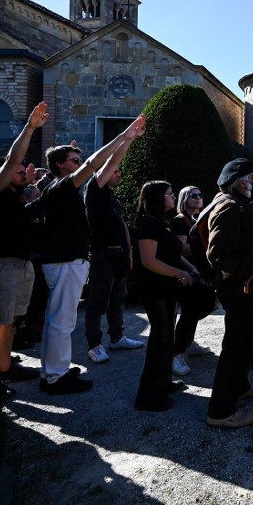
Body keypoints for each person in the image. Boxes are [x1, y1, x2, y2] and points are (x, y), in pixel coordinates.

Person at [37, 115, 146, 395]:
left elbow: (108, 163)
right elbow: (96, 164)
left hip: (66, 260)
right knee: (62, 322)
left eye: (78, 159)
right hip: (65, 260)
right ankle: (56, 377)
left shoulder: (61, 189)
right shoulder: (60, 187)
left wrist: (127, 140)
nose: (79, 162)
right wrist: (123, 135)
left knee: (58, 320)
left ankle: (52, 370)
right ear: (60, 165)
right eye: (74, 160)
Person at [0, 103, 48, 394]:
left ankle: (4, 368)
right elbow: (13, 159)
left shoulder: (17, 201)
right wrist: (29, 128)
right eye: (16, 171)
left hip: (18, 266)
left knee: (8, 322)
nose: (22, 172)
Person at [203, 159, 253, 429]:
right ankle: (220, 411)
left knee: (244, 342)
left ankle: (239, 386)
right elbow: (218, 254)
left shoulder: (239, 201)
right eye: (250, 177)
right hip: (238, 289)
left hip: (247, 289)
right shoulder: (228, 206)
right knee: (235, 346)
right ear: (239, 181)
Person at [130, 181, 199, 411]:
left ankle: (163, 383)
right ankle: (148, 397)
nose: (173, 197)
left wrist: (190, 268)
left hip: (167, 288)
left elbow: (173, 252)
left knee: (167, 337)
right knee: (160, 339)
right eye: (170, 194)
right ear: (158, 198)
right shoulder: (148, 223)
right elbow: (149, 261)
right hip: (155, 289)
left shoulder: (162, 222)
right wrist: (179, 273)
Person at [84, 145, 143, 366]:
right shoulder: (94, 189)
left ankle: (117, 338)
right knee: (98, 302)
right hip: (101, 255)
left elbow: (122, 225)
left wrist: (129, 251)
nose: (118, 174)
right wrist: (127, 139)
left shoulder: (112, 197)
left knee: (118, 299)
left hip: (120, 255)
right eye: (115, 171)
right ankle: (94, 345)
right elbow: (110, 163)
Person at [170, 185, 215, 378]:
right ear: (184, 199)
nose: (198, 198)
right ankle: (177, 353)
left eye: (200, 195)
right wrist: (207, 245)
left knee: (201, 308)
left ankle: (189, 343)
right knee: (189, 312)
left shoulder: (197, 219)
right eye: (193, 195)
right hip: (189, 273)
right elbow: (181, 249)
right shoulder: (180, 221)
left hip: (201, 272)